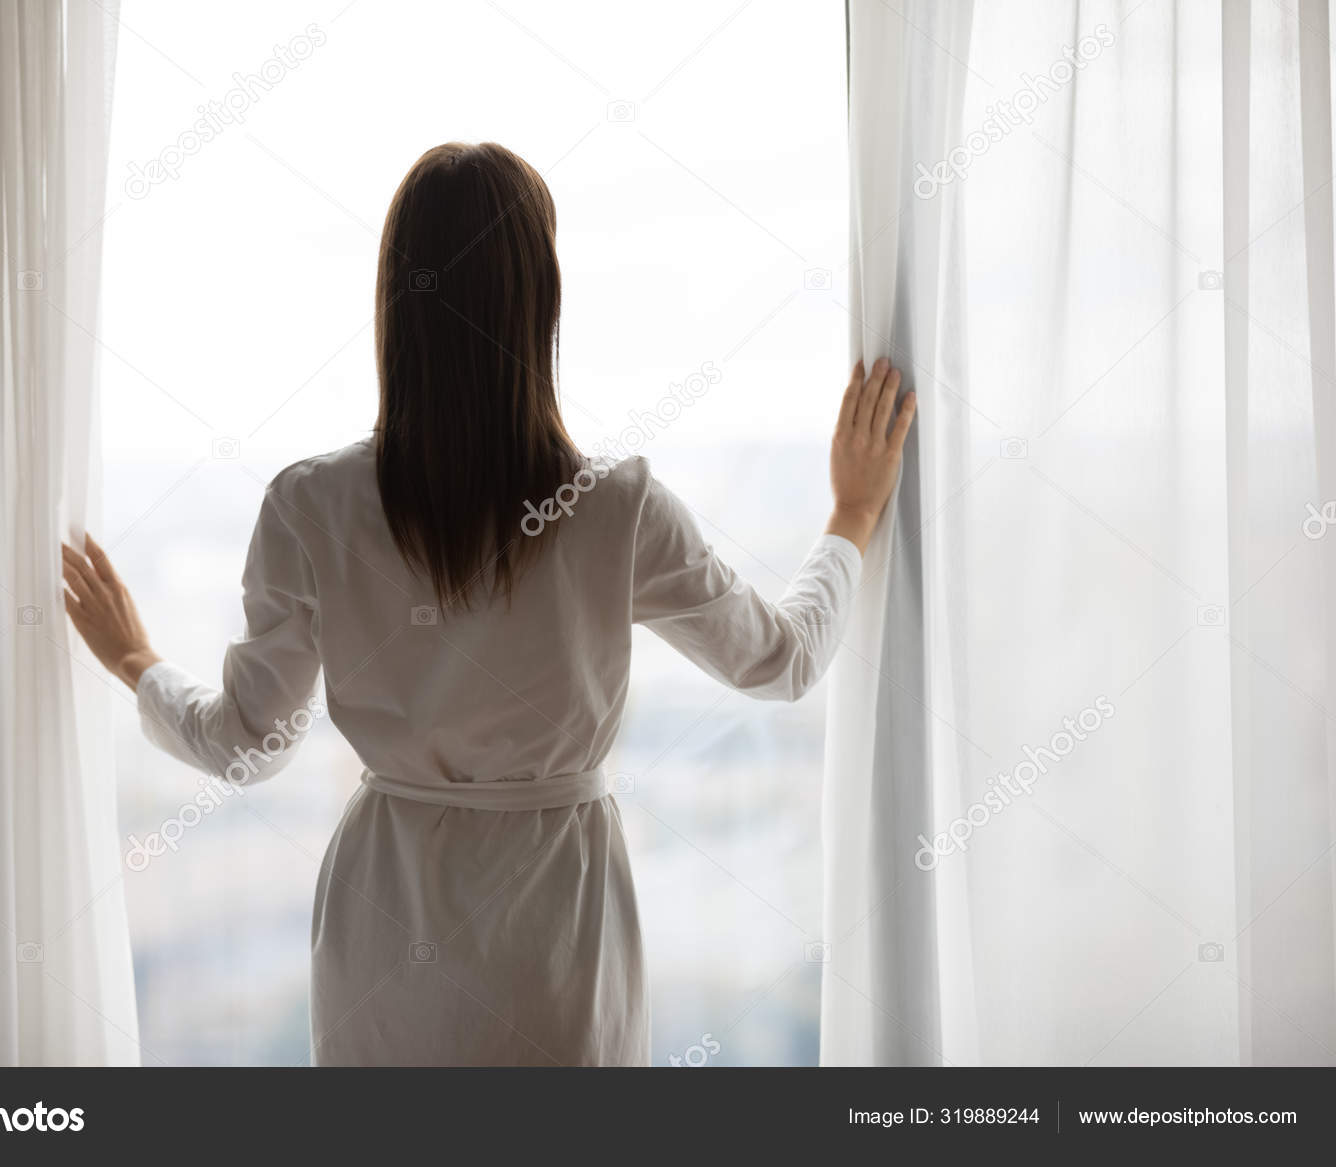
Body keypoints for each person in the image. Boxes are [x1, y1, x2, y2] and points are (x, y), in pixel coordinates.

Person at [61, 141, 913, 1066]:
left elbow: (247, 743)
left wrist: (135, 661)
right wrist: (853, 513)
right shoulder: (617, 509)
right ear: (539, 304)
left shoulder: (310, 507)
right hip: (558, 946)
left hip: (381, 941)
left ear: (394, 303)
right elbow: (781, 660)